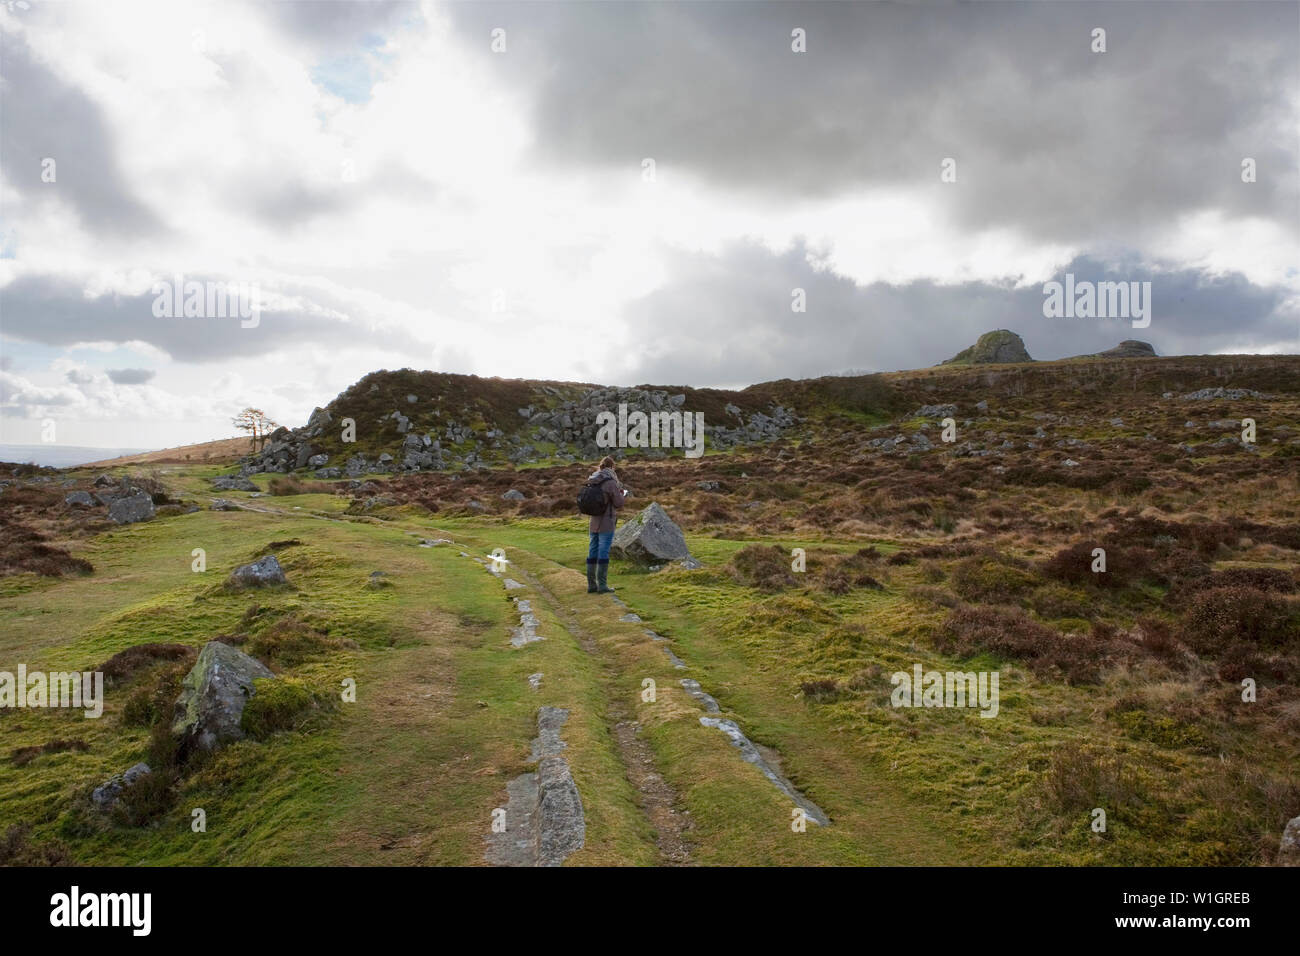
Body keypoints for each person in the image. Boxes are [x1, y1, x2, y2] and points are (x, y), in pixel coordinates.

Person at [586, 455, 627, 593]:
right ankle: (602, 585)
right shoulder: (610, 482)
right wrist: (621, 493)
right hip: (607, 522)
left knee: (592, 550)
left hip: (594, 521)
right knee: (603, 552)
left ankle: (591, 585)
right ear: (612, 467)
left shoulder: (593, 479)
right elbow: (619, 503)